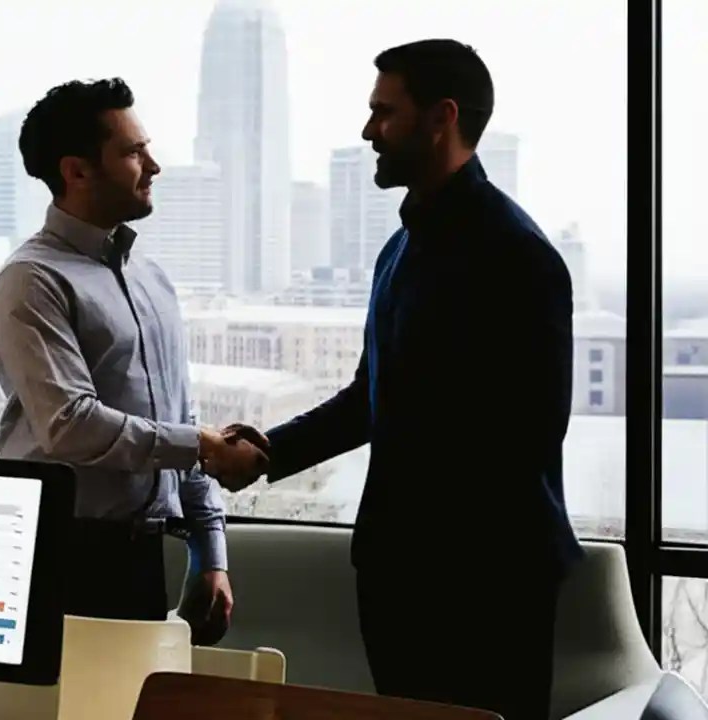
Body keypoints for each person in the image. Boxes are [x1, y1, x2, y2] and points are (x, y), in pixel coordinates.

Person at [217, 40, 582, 720]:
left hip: (485, 583)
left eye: (383, 113)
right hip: (402, 572)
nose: (367, 131)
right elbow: (370, 398)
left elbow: (529, 435)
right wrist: (268, 451)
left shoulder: (518, 257)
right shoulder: (399, 248)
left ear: (442, 117)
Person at [0, 78, 268, 627]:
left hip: (143, 555)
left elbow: (176, 418)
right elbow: (69, 425)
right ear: (77, 170)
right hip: (65, 557)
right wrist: (204, 445)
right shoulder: (32, 282)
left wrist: (210, 548)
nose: (154, 166)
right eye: (134, 152)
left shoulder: (149, 279)